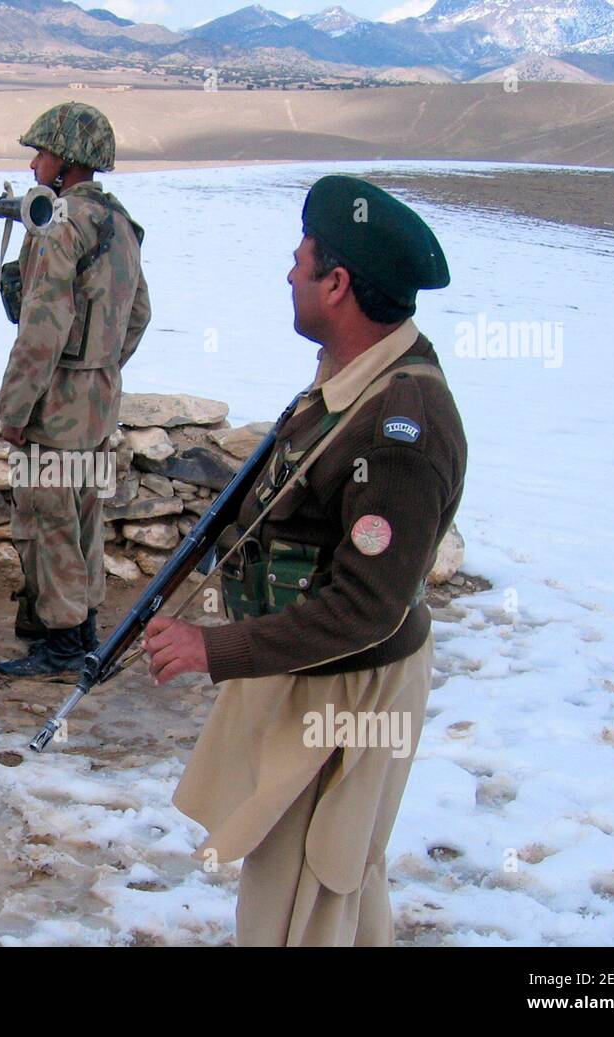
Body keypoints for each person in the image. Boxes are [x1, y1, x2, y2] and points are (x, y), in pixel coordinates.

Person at [143, 175, 467, 945]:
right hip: (319, 670)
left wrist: (211, 647)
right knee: (327, 884)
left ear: (338, 283)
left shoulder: (397, 427)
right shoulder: (355, 384)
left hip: (350, 686)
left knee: (309, 888)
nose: (289, 274)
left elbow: (367, 605)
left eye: (301, 260)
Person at [0, 101, 152, 680]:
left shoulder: (58, 225)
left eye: (41, 151)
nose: (34, 162)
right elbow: (139, 313)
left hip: (55, 406)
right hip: (96, 405)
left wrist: (16, 407)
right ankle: (80, 630)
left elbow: (42, 329)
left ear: (66, 160)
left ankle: (61, 646)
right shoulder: (121, 225)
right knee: (84, 517)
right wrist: (101, 368)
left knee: (48, 521)